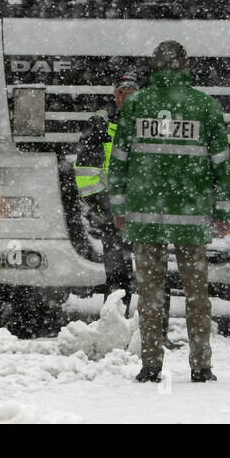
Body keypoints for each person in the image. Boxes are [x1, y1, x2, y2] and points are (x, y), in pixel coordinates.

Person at [108, 40, 230, 383]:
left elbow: (118, 162)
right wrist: (223, 210)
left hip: (145, 215)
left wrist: (119, 207)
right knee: (197, 294)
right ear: (184, 65)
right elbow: (221, 163)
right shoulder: (204, 106)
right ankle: (201, 366)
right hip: (191, 216)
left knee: (150, 294)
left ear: (154, 67)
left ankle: (150, 366)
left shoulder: (136, 106)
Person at [73, 73, 140, 312]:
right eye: (121, 92)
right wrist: (103, 205)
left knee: (151, 274)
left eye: (131, 92)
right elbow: (86, 171)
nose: (126, 97)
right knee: (117, 273)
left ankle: (153, 332)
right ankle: (114, 321)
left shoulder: (149, 123)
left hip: (144, 208)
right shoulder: (100, 124)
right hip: (112, 210)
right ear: (115, 94)